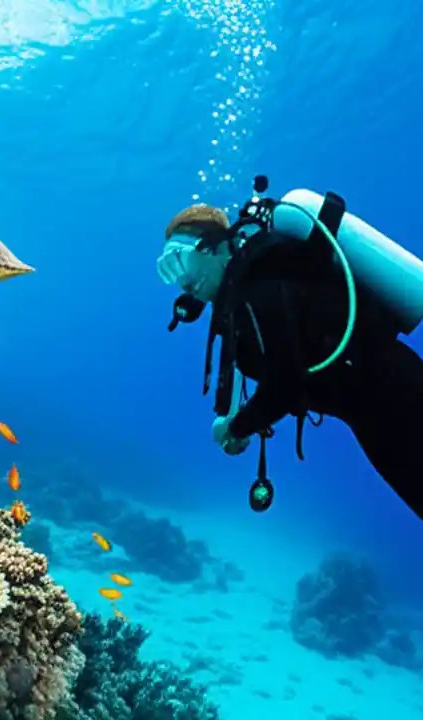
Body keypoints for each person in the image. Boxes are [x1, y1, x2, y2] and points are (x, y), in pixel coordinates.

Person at [157, 183, 423, 519]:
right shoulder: (243, 295)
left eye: (180, 260)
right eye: (169, 270)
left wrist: (237, 428)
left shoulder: (259, 285)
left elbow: (284, 386)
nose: (181, 281)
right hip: (376, 408)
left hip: (396, 398)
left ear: (212, 248)